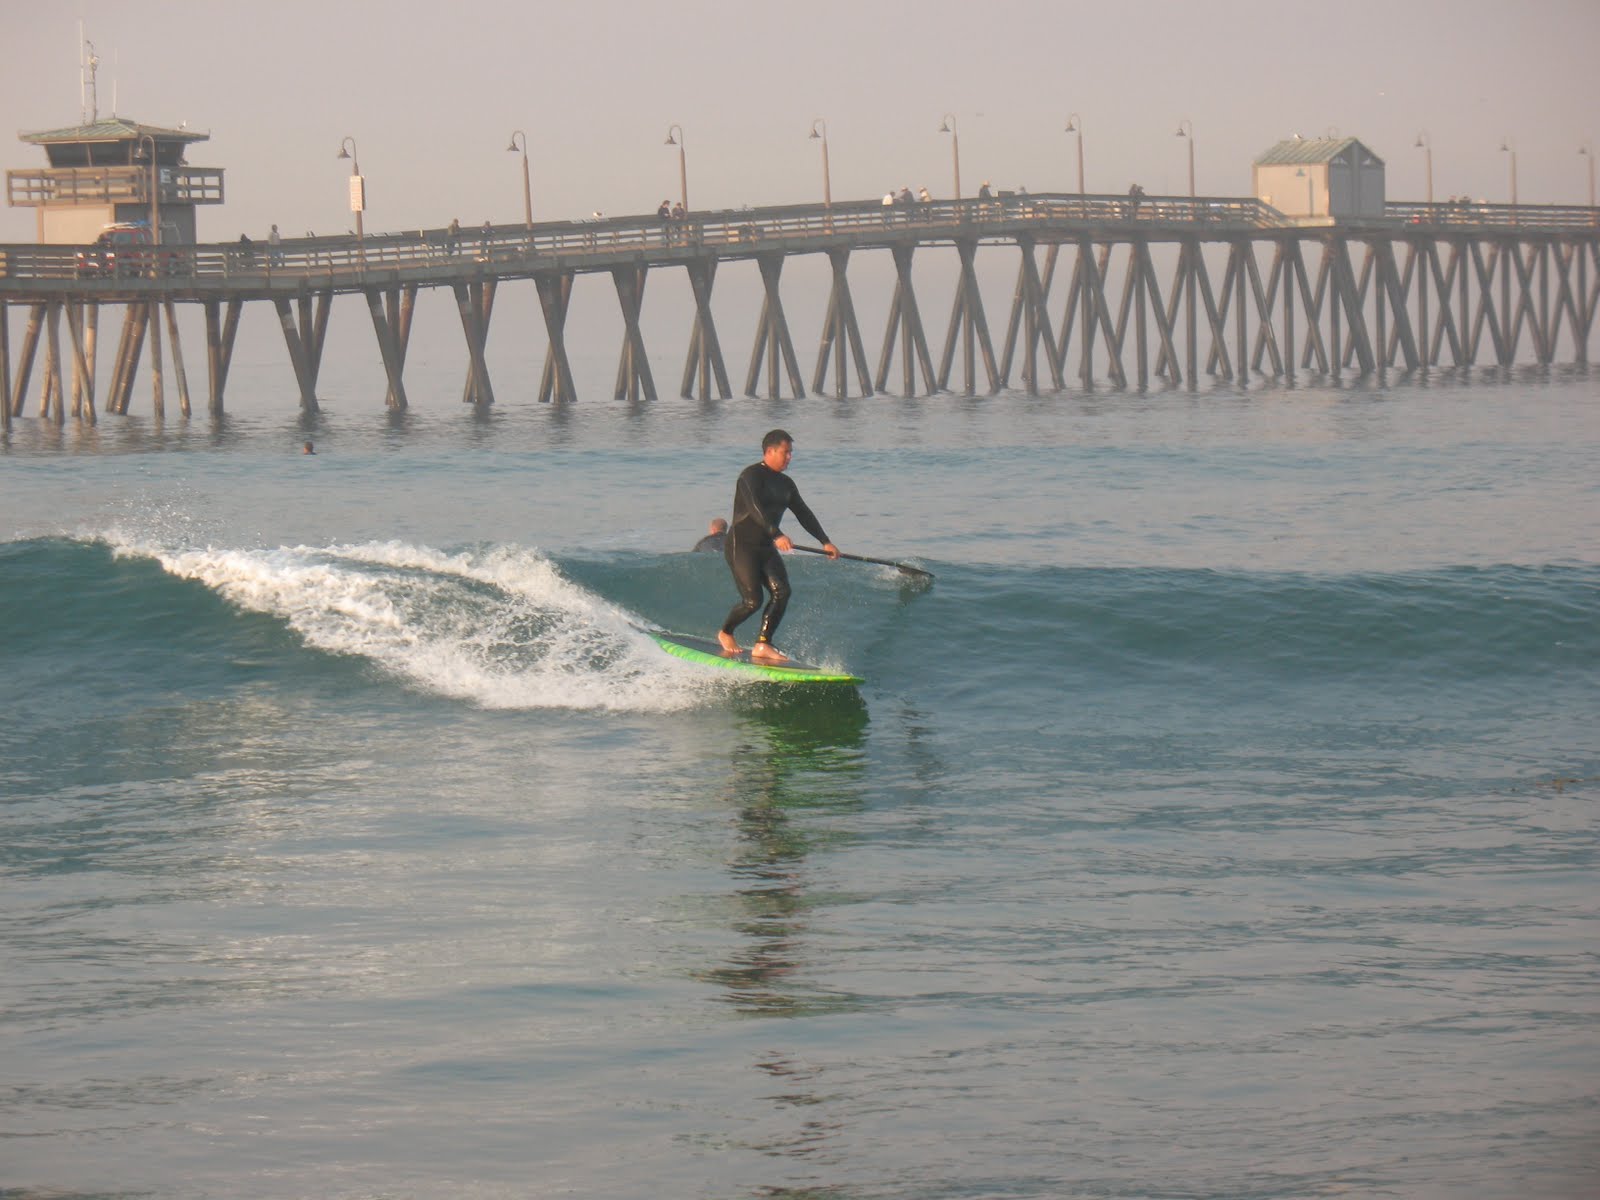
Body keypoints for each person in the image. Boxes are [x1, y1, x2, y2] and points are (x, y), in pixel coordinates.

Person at [718, 429, 839, 664]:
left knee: (782, 591)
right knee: (752, 601)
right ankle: (726, 632)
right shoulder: (750, 476)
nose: (789, 457)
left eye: (791, 453)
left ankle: (763, 644)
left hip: (765, 548)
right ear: (770, 451)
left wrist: (825, 541)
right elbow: (755, 509)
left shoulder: (786, 484)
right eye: (786, 452)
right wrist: (777, 534)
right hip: (742, 545)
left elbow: (804, 513)